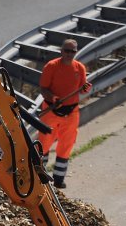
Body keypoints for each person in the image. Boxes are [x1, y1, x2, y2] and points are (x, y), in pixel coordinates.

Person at [38, 38, 92, 189]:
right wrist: (53, 98)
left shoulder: (79, 68)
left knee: (67, 144)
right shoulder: (51, 66)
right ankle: (40, 175)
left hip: (71, 112)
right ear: (61, 51)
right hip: (51, 111)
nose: (69, 54)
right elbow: (43, 88)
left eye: (72, 51)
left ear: (75, 52)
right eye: (66, 51)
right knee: (44, 143)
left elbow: (83, 87)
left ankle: (58, 179)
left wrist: (86, 88)